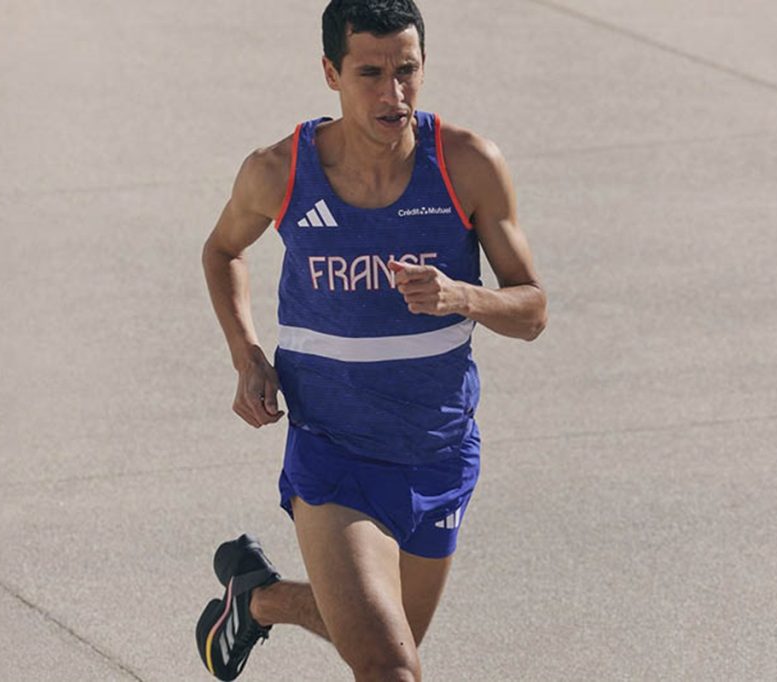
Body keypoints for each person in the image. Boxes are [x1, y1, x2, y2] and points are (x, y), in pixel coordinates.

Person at [196, 1, 547, 679]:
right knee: (391, 669)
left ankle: (258, 600)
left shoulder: (466, 164)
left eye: (407, 70)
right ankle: (264, 598)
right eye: (370, 73)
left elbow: (532, 310)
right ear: (330, 72)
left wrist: (462, 295)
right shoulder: (279, 172)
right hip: (335, 453)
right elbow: (221, 252)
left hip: (438, 453)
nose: (394, 93)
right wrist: (246, 355)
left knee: (386, 645)